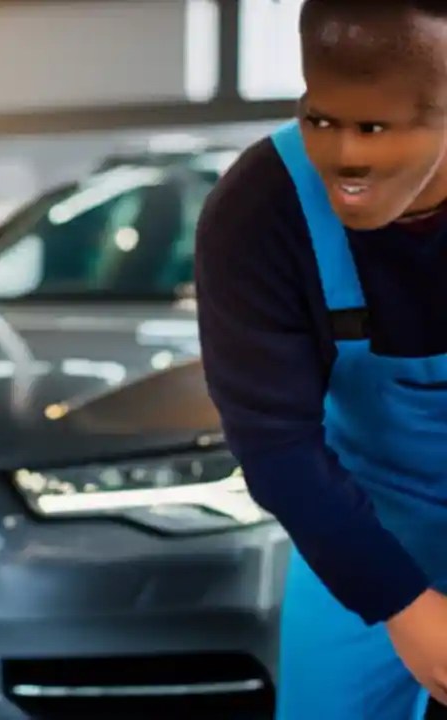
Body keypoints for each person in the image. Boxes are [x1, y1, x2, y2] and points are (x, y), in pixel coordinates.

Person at [196, 1, 447, 718]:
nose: (345, 157)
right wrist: (400, 602)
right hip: (361, 529)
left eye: (377, 127)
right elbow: (276, 445)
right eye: (321, 118)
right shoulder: (260, 209)